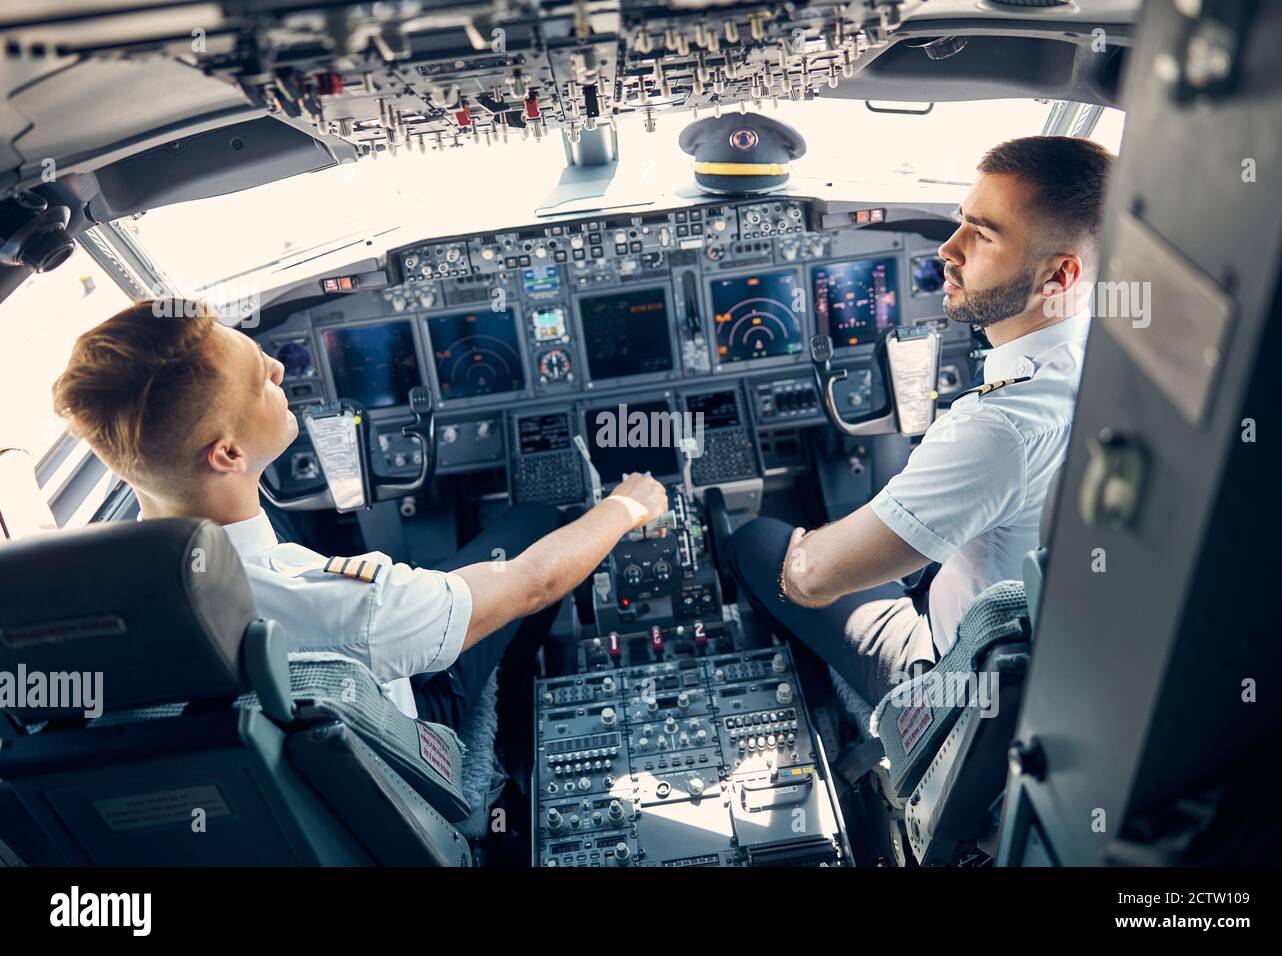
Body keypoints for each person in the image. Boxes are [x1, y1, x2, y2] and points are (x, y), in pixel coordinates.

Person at [43, 300, 668, 726]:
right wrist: (624, 505)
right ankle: (513, 713)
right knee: (536, 520)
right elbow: (536, 582)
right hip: (410, 723)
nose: (282, 368)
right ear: (227, 453)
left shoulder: (84, 603)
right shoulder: (355, 606)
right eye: (261, 378)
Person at [726, 135, 1113, 707]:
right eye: (961, 221)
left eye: (982, 235)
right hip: (1064, 661)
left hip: (957, 686)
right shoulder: (1120, 363)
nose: (947, 250)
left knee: (761, 545)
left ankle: (838, 718)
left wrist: (816, 546)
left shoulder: (996, 428)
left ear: (1058, 277)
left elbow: (811, 579)